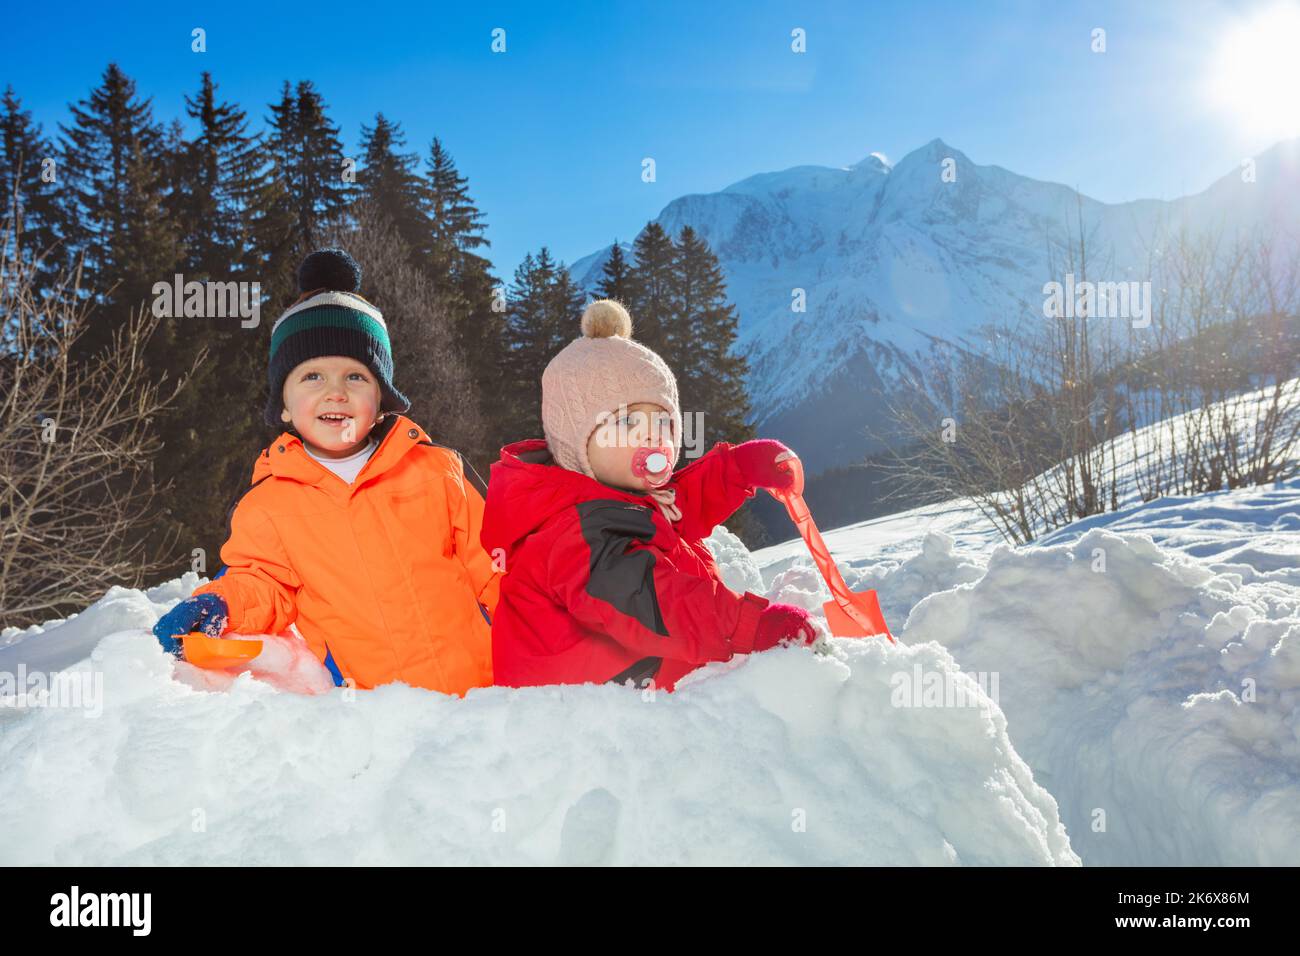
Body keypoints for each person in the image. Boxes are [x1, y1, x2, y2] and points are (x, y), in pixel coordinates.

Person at [152, 248, 499, 694]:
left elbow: (496, 570)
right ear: (283, 405)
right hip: (373, 718)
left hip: (488, 698)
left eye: (355, 377)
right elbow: (261, 582)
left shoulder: (437, 472)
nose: (335, 393)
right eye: (312, 377)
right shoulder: (271, 503)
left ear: (382, 398)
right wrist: (217, 604)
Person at [482, 298, 818, 691]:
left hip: (633, 676)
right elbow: (653, 600)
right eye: (625, 421)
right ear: (574, 442)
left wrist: (739, 469)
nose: (650, 434)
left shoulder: (612, 495)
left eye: (662, 420)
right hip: (589, 713)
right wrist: (747, 627)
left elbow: (676, 506)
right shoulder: (571, 530)